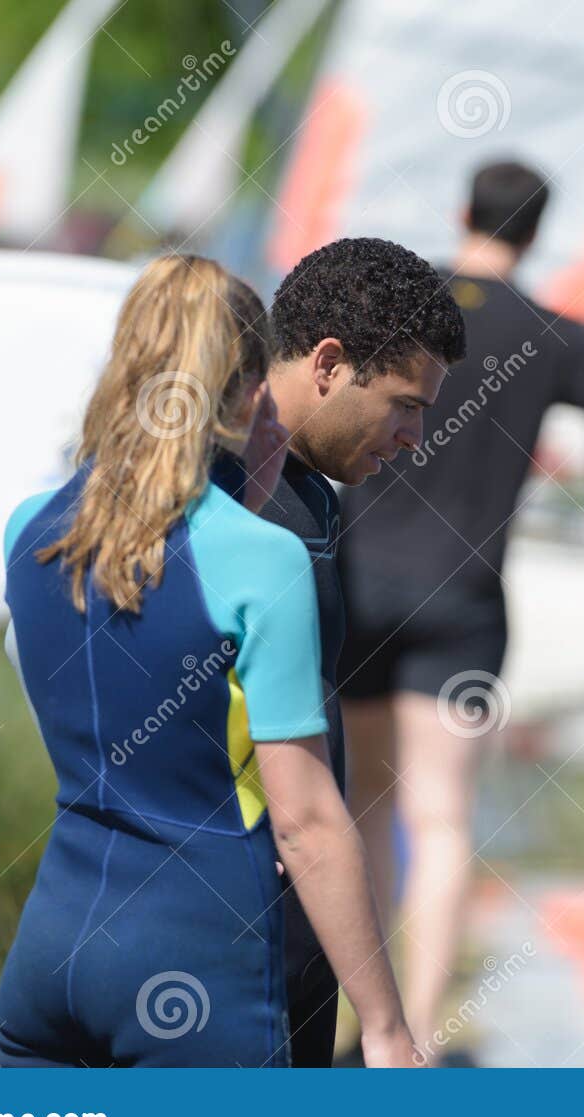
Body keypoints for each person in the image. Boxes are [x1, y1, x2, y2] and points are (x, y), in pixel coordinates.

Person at [0, 254, 417, 1067]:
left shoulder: (29, 532)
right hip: (196, 960)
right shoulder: (262, 559)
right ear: (250, 389)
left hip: (50, 952)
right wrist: (389, 1031)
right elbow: (306, 824)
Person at [337, 159, 584, 1048]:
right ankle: (412, 1035)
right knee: (443, 819)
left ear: (463, 210)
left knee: (364, 811)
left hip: (356, 584)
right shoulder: (553, 334)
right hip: (464, 599)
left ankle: (359, 1023)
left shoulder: (394, 314)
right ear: (536, 233)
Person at [247, 236, 467, 1067]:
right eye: (405, 404)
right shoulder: (246, 509)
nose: (414, 436)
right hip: (237, 950)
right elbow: (298, 813)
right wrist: (385, 1022)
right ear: (330, 363)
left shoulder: (308, 497)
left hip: (274, 941)